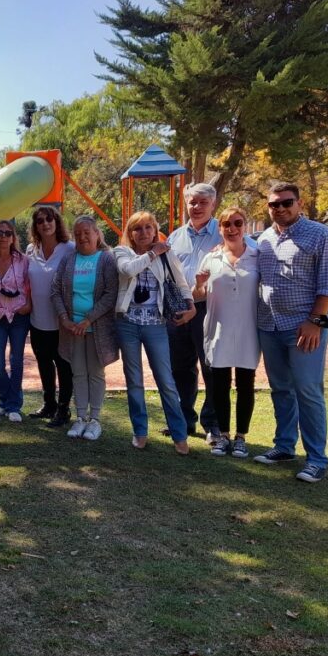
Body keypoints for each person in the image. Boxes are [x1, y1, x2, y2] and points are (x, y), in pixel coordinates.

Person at [253, 182, 328, 483]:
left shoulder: (321, 235)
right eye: (274, 205)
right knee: (281, 389)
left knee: (307, 389)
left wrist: (315, 321)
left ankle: (316, 458)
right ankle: (284, 446)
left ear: (299, 203)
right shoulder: (263, 239)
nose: (280, 209)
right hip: (270, 325)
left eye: (286, 202)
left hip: (305, 327)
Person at [114, 211, 196, 454]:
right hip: (127, 323)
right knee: (134, 381)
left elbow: (180, 282)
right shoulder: (122, 252)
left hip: (156, 324)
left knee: (166, 380)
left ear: (155, 230)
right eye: (138, 229)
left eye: (149, 227)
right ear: (130, 233)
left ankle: (179, 435)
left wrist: (190, 305)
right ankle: (140, 432)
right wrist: (152, 253)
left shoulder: (165, 254)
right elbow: (128, 270)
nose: (144, 233)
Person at [192, 207, 260, 459]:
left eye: (237, 223)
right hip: (218, 329)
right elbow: (197, 295)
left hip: (248, 329)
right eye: (226, 224)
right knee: (219, 385)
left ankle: (241, 437)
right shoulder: (211, 258)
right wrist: (199, 284)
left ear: (245, 225)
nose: (232, 229)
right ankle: (222, 435)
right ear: (219, 229)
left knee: (245, 384)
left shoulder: (257, 255)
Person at [50, 216, 119, 440]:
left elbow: (111, 294)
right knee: (78, 373)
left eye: (86, 232)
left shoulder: (106, 259)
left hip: (96, 329)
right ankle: (80, 418)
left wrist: (88, 319)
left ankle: (95, 420)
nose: (82, 237)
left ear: (97, 233)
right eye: (77, 233)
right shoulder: (69, 260)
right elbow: (56, 291)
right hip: (72, 329)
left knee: (96, 374)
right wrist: (64, 319)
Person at [164, 182, 223, 444]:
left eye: (202, 202)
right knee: (181, 368)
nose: (196, 207)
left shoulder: (224, 234)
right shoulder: (175, 237)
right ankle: (184, 420)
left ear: (213, 204)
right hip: (178, 310)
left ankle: (213, 424)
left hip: (210, 309)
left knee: (212, 366)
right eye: (192, 202)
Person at [25, 206, 76, 427]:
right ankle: (49, 404)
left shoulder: (69, 249)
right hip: (37, 321)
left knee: (64, 366)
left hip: (61, 322)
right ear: (35, 226)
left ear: (56, 222)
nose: (45, 224)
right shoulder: (30, 250)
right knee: (44, 365)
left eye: (49, 219)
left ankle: (64, 410)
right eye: (40, 221)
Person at [0, 219, 31, 422]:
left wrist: (28, 304)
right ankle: (5, 399)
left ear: (13, 238)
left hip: (19, 316)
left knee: (16, 361)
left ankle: (13, 405)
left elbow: (30, 284)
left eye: (7, 233)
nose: (3, 237)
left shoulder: (23, 260)